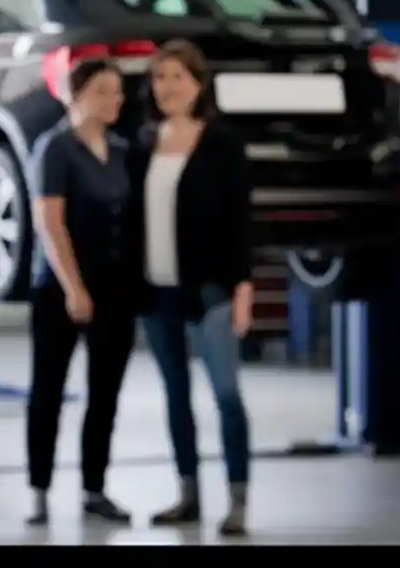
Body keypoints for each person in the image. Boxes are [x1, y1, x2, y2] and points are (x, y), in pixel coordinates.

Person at [129, 38, 254, 536]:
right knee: (175, 395)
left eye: (177, 77)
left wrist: (243, 289)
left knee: (226, 393)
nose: (167, 87)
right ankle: (188, 495)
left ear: (198, 84)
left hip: (212, 290)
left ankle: (238, 499)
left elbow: (242, 222)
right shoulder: (143, 144)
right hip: (158, 292)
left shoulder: (223, 143)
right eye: (159, 78)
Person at [24, 58, 137, 525]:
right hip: (61, 289)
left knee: (104, 393)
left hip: (115, 289)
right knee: (49, 389)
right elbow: (50, 222)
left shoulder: (122, 149)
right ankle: (39, 489)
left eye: (119, 92)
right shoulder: (55, 148)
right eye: (105, 91)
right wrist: (74, 288)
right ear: (78, 94)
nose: (116, 100)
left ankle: (95, 488)